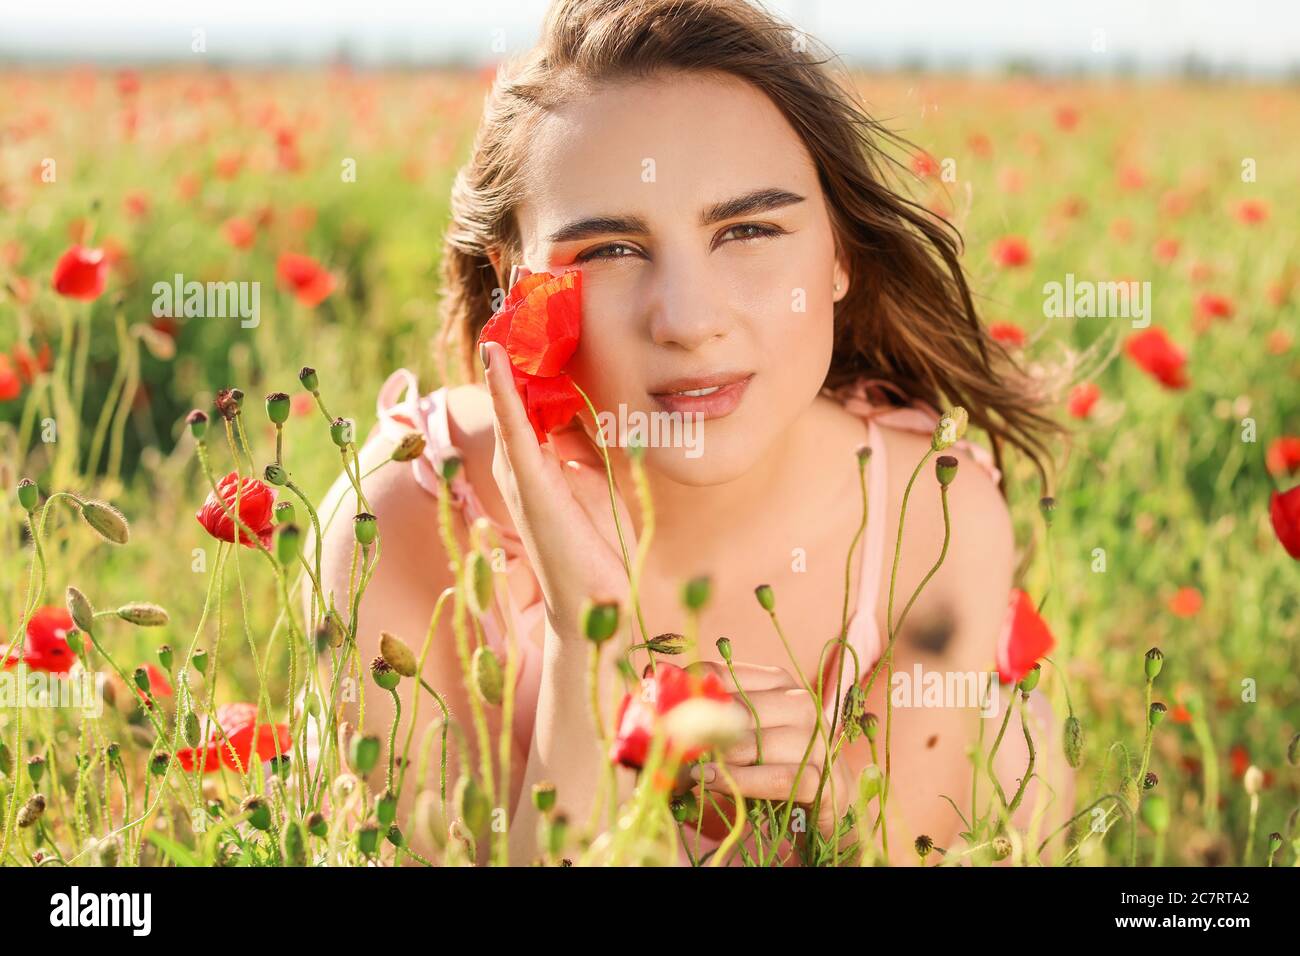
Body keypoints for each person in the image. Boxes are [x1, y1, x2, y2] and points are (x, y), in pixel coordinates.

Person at [314, 0, 1069, 866]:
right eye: (607, 249)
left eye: (747, 230)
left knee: (1022, 747)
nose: (687, 319)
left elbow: (915, 848)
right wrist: (584, 650)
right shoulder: (403, 519)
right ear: (511, 280)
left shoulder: (928, 513)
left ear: (838, 255)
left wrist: (826, 811)